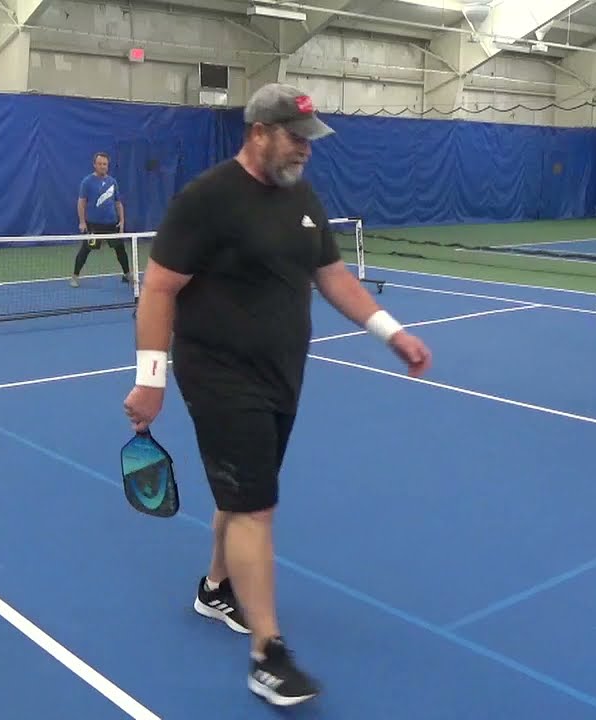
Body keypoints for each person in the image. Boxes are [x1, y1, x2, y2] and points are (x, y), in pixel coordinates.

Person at [122, 83, 432, 707]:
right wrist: (151, 379)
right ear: (259, 132)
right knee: (256, 508)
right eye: (296, 137)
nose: (306, 150)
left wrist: (390, 332)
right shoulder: (206, 200)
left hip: (282, 375)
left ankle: (216, 588)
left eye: (310, 140)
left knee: (245, 495)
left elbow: (333, 277)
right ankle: (269, 654)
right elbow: (157, 288)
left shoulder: (302, 199)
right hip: (218, 375)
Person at [72, 151, 129, 287]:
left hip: (112, 225)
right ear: (94, 165)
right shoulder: (87, 182)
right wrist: (82, 222)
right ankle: (75, 276)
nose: (103, 166)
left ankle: (127, 275)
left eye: (105, 164)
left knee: (120, 250)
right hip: (94, 225)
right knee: (85, 250)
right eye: (100, 164)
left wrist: (121, 221)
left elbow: (118, 203)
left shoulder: (112, 182)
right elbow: (81, 202)